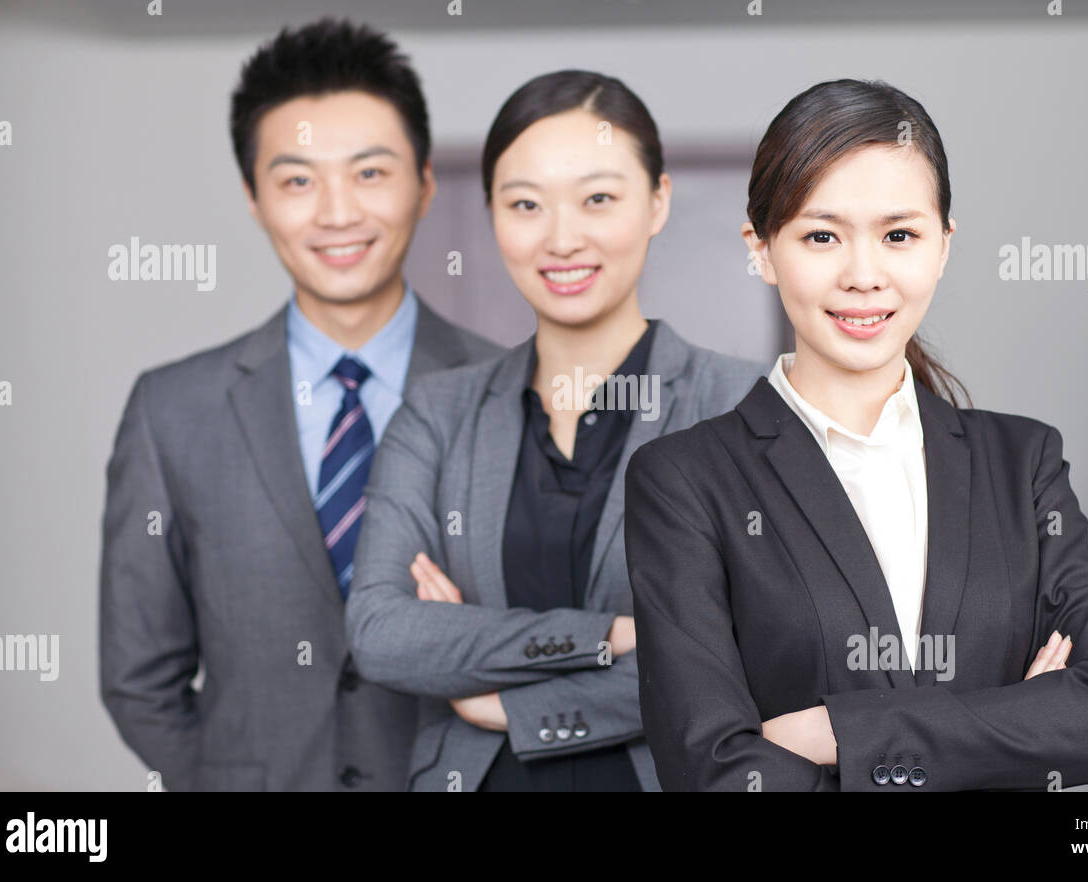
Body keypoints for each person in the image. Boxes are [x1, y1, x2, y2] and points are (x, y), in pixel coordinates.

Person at [623, 78, 1088, 791]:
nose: (864, 276)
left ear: (943, 245)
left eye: (899, 235)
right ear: (762, 250)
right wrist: (1008, 721)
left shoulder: (1024, 464)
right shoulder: (684, 480)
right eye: (821, 236)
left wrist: (835, 733)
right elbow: (708, 769)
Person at [99, 19, 502, 792]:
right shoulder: (172, 410)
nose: (336, 212)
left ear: (423, 184)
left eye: (369, 173)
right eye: (297, 180)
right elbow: (138, 678)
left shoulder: (509, 390)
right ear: (254, 198)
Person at [345, 70, 765, 792]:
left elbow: (755, 652)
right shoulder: (437, 414)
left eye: (598, 198)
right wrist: (609, 638)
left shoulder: (743, 406)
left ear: (657, 200)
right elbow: (382, 633)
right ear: (492, 213)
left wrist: (504, 699)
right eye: (526, 204)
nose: (562, 238)